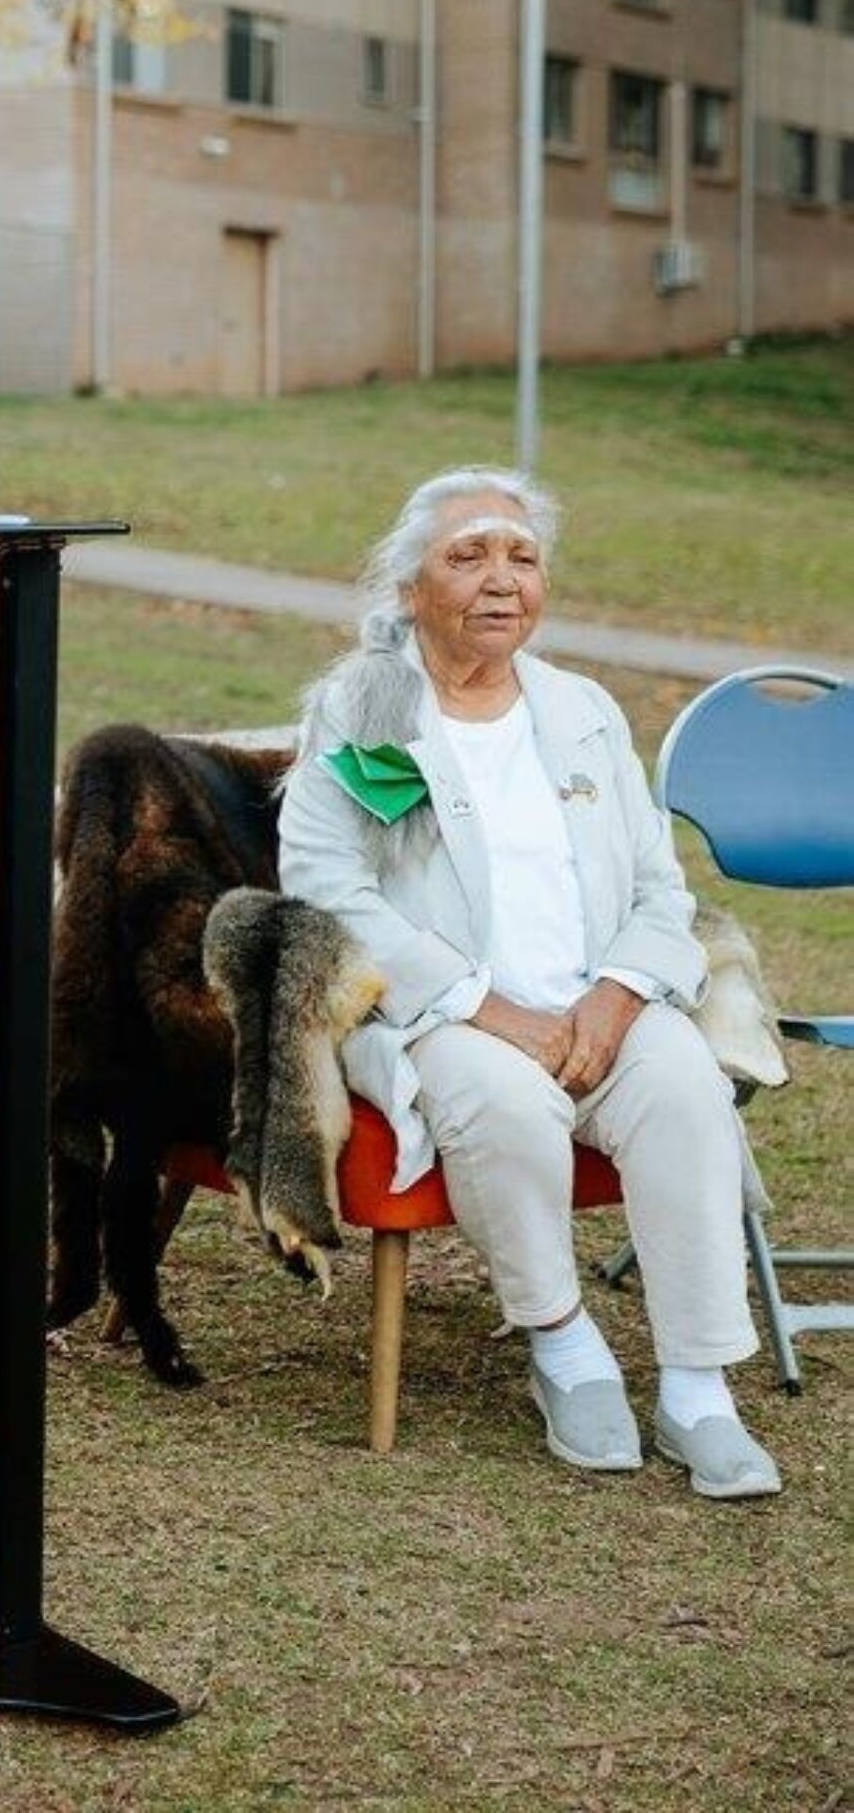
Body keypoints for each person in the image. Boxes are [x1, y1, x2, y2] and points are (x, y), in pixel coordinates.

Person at [277, 465, 779, 1499]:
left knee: (685, 1087)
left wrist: (620, 992)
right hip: (444, 1013)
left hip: (597, 996)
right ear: (411, 586)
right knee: (502, 1103)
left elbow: (654, 885)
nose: (501, 581)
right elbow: (324, 885)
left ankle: (697, 1385)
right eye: (468, 557)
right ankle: (565, 1346)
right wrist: (483, 1006)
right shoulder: (364, 706)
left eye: (522, 557)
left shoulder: (582, 708)